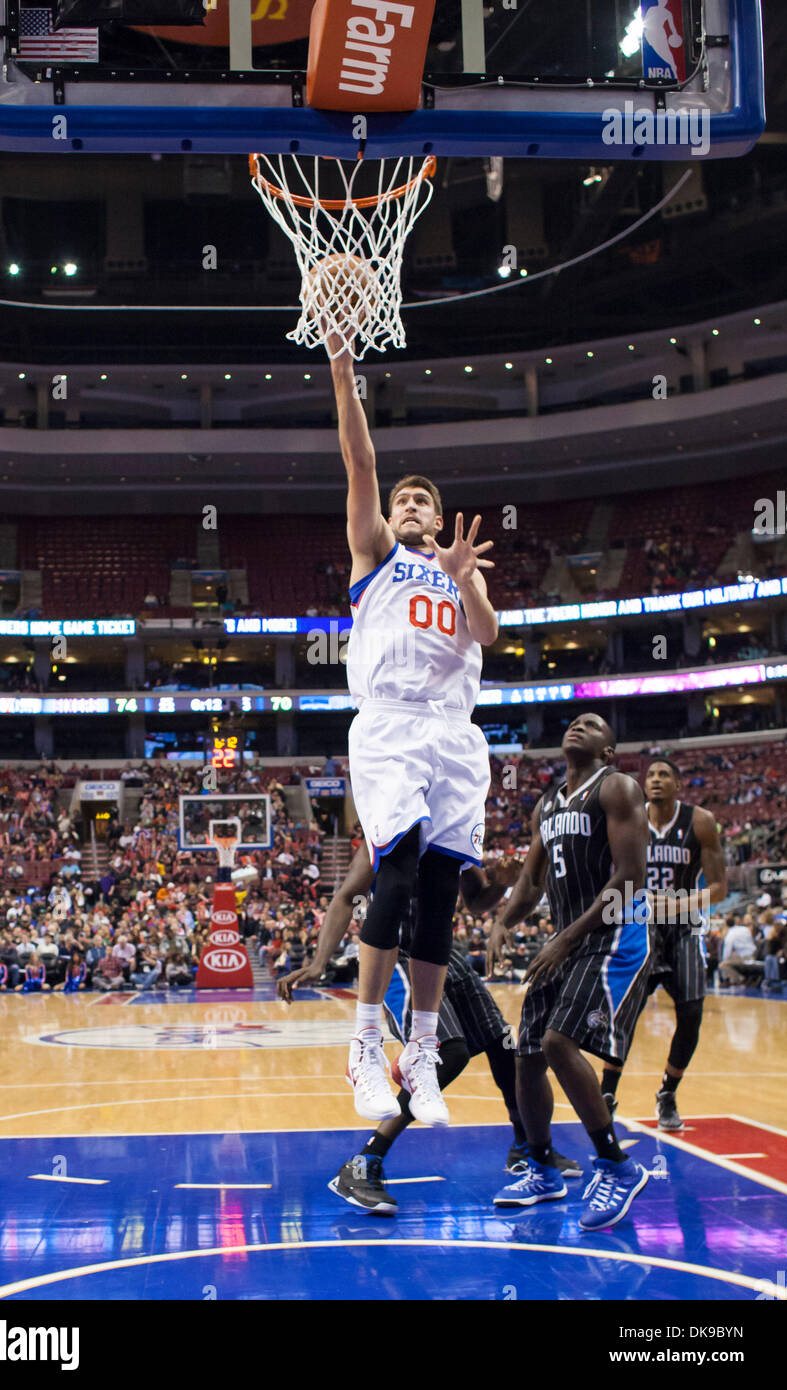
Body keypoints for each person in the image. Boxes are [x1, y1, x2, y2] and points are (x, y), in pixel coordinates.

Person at [329, 329, 498, 1129]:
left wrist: (466, 580)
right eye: (402, 502)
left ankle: (421, 1053)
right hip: (392, 726)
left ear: (439, 516)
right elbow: (361, 462)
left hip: (454, 734)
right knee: (393, 872)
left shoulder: (461, 571)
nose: (410, 508)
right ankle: (365, 1041)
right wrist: (342, 366)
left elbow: (489, 637)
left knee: (439, 894)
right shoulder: (376, 557)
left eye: (421, 502)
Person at [279, 844, 580, 1213]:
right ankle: (362, 1165)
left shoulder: (451, 831)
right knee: (448, 1052)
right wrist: (318, 962)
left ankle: (526, 1149)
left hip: (442, 957)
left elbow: (477, 901)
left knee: (503, 1045)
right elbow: (345, 898)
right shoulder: (387, 832)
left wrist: (501, 883)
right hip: (396, 958)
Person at [486, 712, 652, 1232]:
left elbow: (629, 878)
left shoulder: (619, 787)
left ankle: (616, 1165)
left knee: (559, 1043)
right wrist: (502, 922)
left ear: (608, 751)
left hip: (612, 933)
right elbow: (532, 882)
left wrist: (563, 939)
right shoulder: (548, 804)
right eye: (574, 722)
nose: (578, 726)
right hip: (567, 938)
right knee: (527, 1054)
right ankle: (541, 1167)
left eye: (593, 723)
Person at [601, 759, 727, 1131]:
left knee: (691, 1015)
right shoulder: (630, 819)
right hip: (641, 928)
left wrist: (678, 904)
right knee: (624, 1014)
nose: (655, 780)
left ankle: (668, 1092)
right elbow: (610, 874)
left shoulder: (700, 821)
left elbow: (720, 888)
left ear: (677, 783)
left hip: (685, 927)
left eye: (663, 775)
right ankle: (606, 1093)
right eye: (651, 775)